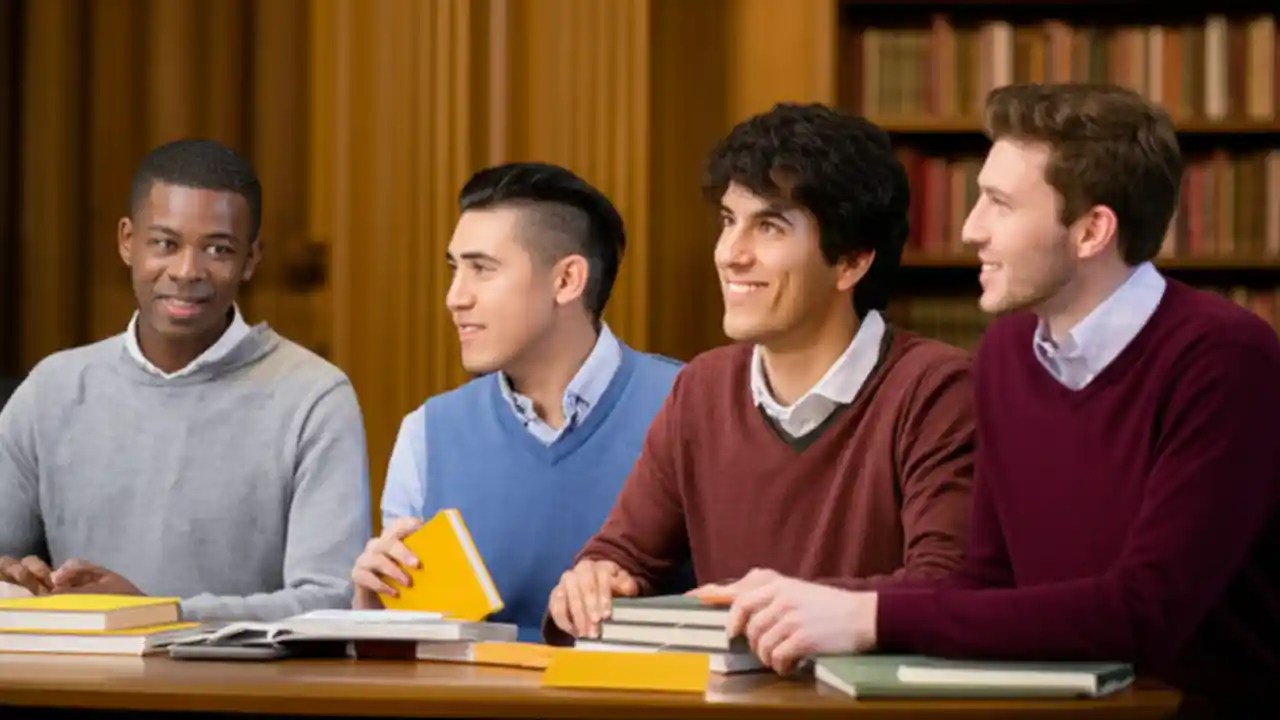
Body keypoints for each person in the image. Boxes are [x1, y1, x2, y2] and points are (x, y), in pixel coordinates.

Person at [712, 83, 1280, 716]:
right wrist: (803, 602)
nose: (969, 229)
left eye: (1000, 205)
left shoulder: (1227, 357)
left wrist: (867, 616)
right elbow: (982, 582)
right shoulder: (1007, 353)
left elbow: (1145, 613)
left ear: (1092, 230)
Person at [546, 102, 976, 642]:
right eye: (729, 221)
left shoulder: (937, 389)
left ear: (851, 262)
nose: (730, 253)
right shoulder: (702, 388)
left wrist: (795, 604)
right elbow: (624, 553)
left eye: (769, 227)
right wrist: (595, 580)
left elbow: (948, 586)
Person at [0, 138, 371, 621]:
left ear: (252, 259)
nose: (187, 270)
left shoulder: (314, 396)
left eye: (218, 249)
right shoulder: (53, 388)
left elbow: (330, 601)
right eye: (165, 244)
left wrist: (158, 614)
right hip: (72, 687)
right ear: (127, 241)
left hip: (241, 695)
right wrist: (15, 582)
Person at [350, 162, 682, 641]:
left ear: (567, 280)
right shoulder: (427, 432)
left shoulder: (690, 408)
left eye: (482, 269)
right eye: (454, 269)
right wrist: (374, 613)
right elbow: (410, 653)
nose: (454, 297)